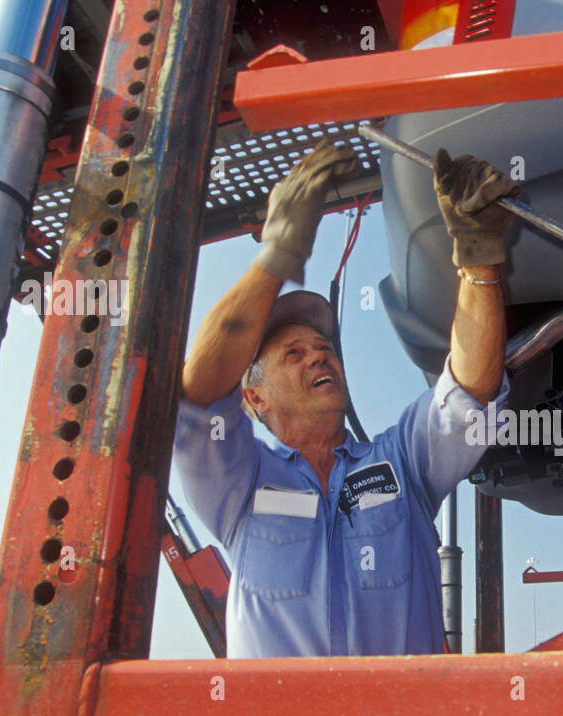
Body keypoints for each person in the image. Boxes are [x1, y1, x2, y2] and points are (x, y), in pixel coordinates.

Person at [174, 140, 515, 657]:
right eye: (294, 354)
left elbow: (468, 392)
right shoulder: (240, 484)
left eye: (324, 348)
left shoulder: (401, 461)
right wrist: (279, 251)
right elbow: (198, 394)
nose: (319, 357)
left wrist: (479, 261)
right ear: (255, 397)